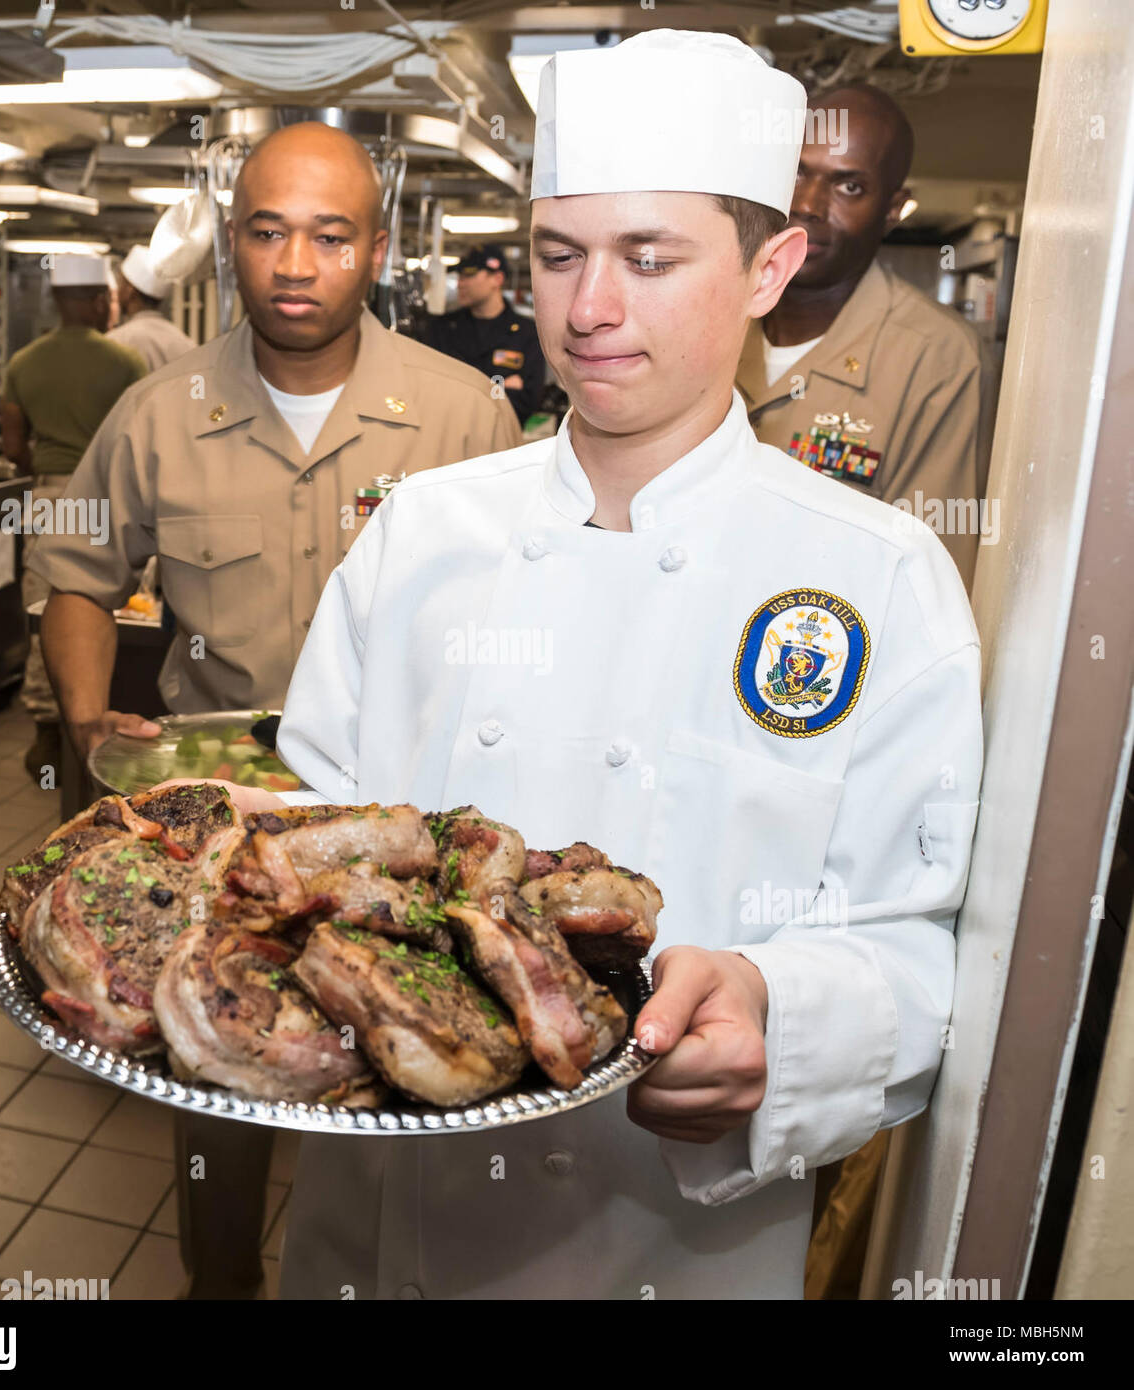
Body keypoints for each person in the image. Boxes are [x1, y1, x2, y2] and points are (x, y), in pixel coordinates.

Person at [219, 29, 981, 1300]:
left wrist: (777, 1014)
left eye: (650, 257)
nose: (588, 311)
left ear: (768, 268)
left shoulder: (878, 577)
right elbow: (308, 841)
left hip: (670, 1242)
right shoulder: (423, 529)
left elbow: (923, 942)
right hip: (382, 1221)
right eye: (559, 254)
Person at [27, 120, 520, 1299]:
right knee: (218, 1094)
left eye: (329, 235)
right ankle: (222, 1285)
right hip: (227, 834)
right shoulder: (160, 413)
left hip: (403, 836)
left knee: (418, 1064)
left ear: (379, 248)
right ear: (232, 244)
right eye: (266, 231)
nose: (294, 264)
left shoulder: (463, 421)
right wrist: (92, 722)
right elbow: (77, 571)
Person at [736, 83, 994, 590]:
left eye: (848, 186)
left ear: (894, 209)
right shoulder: (713, 315)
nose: (807, 205)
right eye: (796, 173)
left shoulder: (935, 357)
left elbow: (930, 581)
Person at [0, 254, 147, 779]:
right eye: (106, 298)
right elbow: (141, 443)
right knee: (103, 605)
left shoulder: (23, 362)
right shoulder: (124, 362)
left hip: (44, 498)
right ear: (94, 300)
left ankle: (45, 731)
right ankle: (86, 726)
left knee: (48, 611)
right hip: (104, 499)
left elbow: (12, 443)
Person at [420, 244, 546, 424]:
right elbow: (431, 391)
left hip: (503, 443)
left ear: (497, 278)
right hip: (449, 433)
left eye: (469, 275)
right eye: (460, 275)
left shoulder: (527, 334)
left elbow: (527, 402)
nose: (460, 283)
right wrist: (498, 387)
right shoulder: (441, 329)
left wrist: (463, 390)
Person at [106, 244, 195, 372]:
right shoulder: (185, 342)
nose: (117, 289)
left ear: (130, 291)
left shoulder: (116, 342)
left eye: (121, 282)